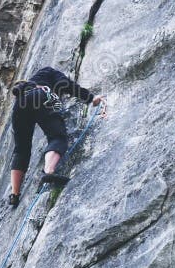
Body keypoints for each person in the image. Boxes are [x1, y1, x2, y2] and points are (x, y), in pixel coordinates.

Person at [7, 66, 104, 207]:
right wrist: (90, 98)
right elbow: (65, 84)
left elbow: (21, 150)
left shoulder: (24, 92)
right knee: (57, 137)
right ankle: (49, 172)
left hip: (19, 106)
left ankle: (14, 194)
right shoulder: (48, 71)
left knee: (21, 149)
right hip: (40, 95)